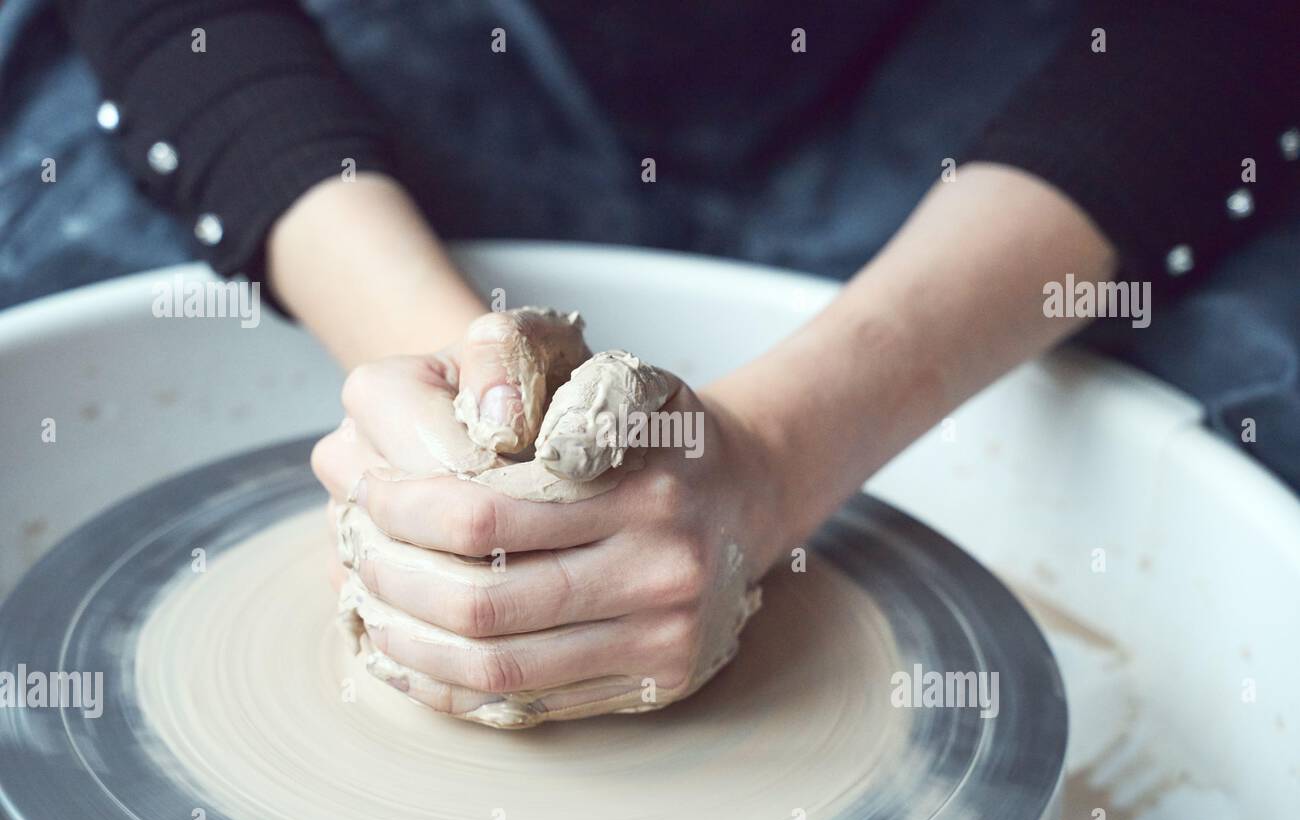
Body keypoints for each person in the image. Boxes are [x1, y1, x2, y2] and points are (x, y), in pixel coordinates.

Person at [4, 0, 1296, 719]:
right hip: (403, 47)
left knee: (1259, 410)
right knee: (62, 266)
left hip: (998, 69)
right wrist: (461, 418)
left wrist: (785, 452)